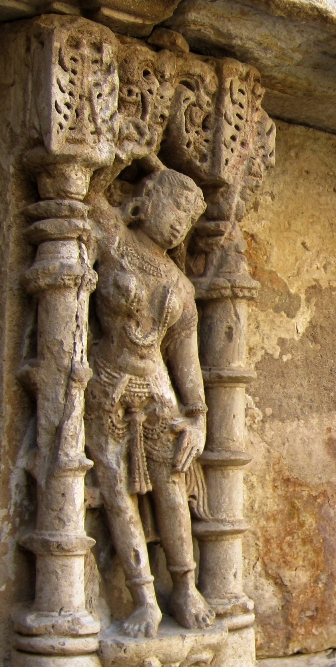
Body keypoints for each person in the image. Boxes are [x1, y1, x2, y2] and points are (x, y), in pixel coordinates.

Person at [86, 168, 216, 637]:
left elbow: (186, 361)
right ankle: (143, 597)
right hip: (108, 383)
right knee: (115, 489)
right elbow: (88, 188)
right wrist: (140, 153)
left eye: (190, 216)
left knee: (172, 492)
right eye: (176, 207)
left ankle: (184, 587)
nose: (181, 222)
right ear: (147, 199)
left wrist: (197, 419)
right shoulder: (115, 242)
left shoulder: (180, 288)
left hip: (159, 395)